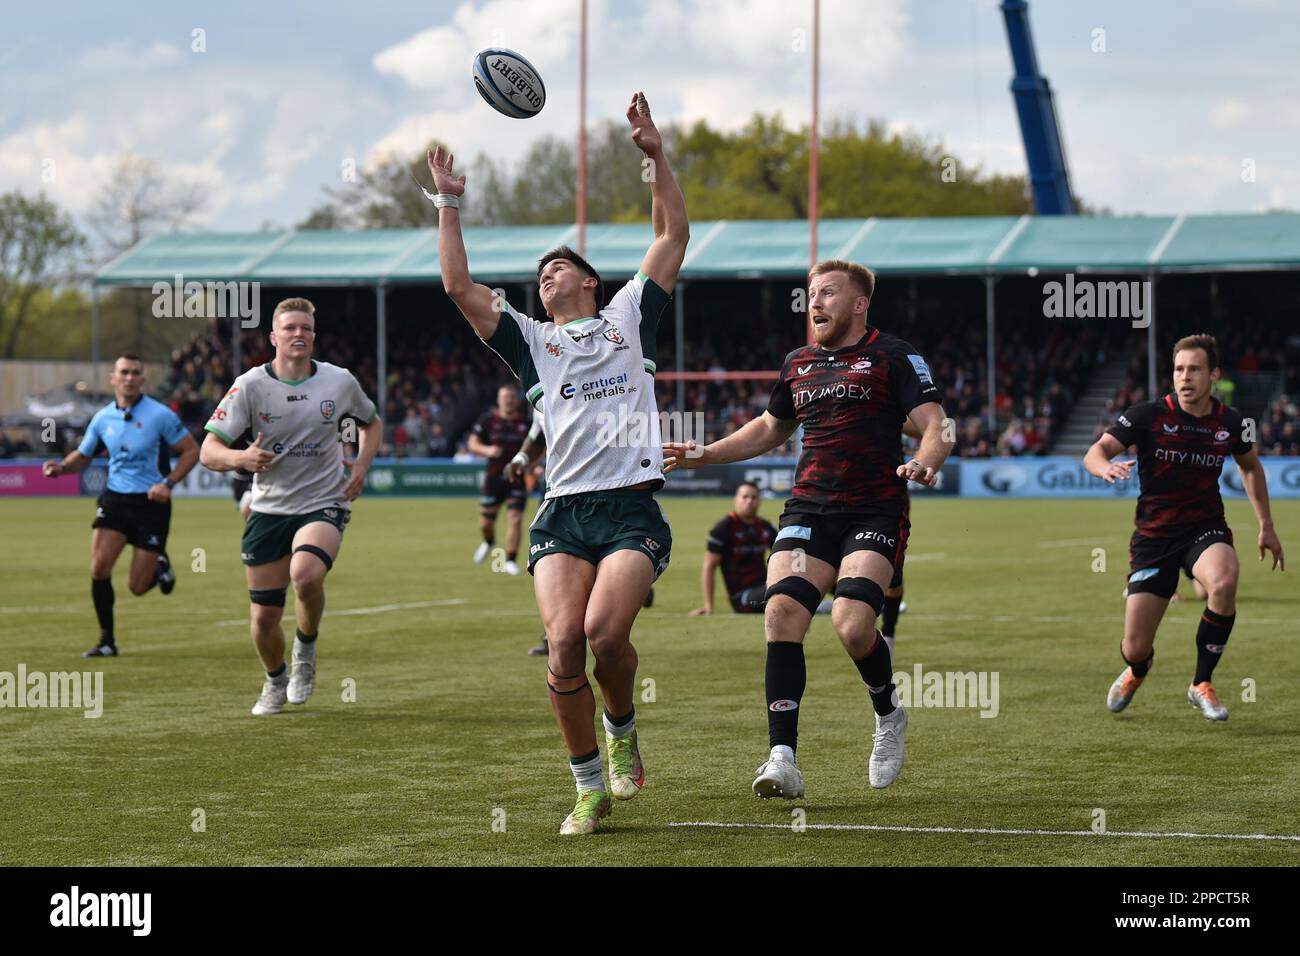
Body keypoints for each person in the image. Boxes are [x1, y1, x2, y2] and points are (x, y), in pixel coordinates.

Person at [430, 90, 687, 834]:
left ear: (589, 281)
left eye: (558, 268)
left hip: (631, 506)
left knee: (608, 637)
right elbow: (456, 286)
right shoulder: (529, 339)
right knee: (565, 643)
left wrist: (655, 157)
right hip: (563, 513)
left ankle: (622, 727)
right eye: (540, 273)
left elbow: (674, 233)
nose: (545, 276)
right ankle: (586, 787)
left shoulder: (628, 318)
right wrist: (448, 203)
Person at [664, 259, 954, 799]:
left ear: (860, 302)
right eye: (811, 294)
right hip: (808, 511)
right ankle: (782, 758)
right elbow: (771, 428)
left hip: (874, 510)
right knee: (781, 611)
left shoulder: (894, 355)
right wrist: (704, 454)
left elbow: (939, 423)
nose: (814, 303)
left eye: (827, 294)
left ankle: (888, 713)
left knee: (850, 623)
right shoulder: (797, 363)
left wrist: (927, 460)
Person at [1084, 334, 1284, 721]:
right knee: (1135, 646)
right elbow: (1096, 451)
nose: (1185, 376)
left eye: (1194, 369)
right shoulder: (1147, 415)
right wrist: (1103, 467)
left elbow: (1250, 466)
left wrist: (1267, 526)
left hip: (1204, 529)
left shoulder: (1233, 422)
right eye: (1179, 369)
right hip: (1154, 537)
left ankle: (1201, 683)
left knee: (1223, 583)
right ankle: (1137, 671)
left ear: (1214, 375)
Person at [199, 297, 382, 716]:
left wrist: (361, 468)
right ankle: (275, 680)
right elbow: (209, 450)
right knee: (263, 619)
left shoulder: (339, 381)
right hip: (268, 509)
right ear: (274, 337)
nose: (298, 334)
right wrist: (240, 459)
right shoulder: (250, 386)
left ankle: (306, 648)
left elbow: (372, 422)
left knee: (306, 574)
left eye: (305, 328)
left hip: (323, 501)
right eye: (290, 328)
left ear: (313, 336)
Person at [43, 354, 199, 657]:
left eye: (135, 373)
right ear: (113, 378)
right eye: (124, 372)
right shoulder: (102, 418)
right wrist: (61, 467)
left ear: (142, 379)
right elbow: (84, 454)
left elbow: (192, 451)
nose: (129, 378)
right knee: (99, 568)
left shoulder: (160, 415)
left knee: (137, 587)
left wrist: (168, 484)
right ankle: (106, 641)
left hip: (151, 504)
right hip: (115, 499)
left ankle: (161, 567)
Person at [467, 384, 531, 575]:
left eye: (511, 396)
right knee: (486, 523)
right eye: (505, 397)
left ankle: (510, 559)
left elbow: (538, 445)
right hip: (493, 478)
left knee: (516, 518)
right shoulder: (488, 420)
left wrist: (531, 464)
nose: (508, 400)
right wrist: (487, 450)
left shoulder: (526, 423)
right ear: (498, 400)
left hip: (517, 478)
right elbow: (472, 443)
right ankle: (489, 541)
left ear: (516, 400)